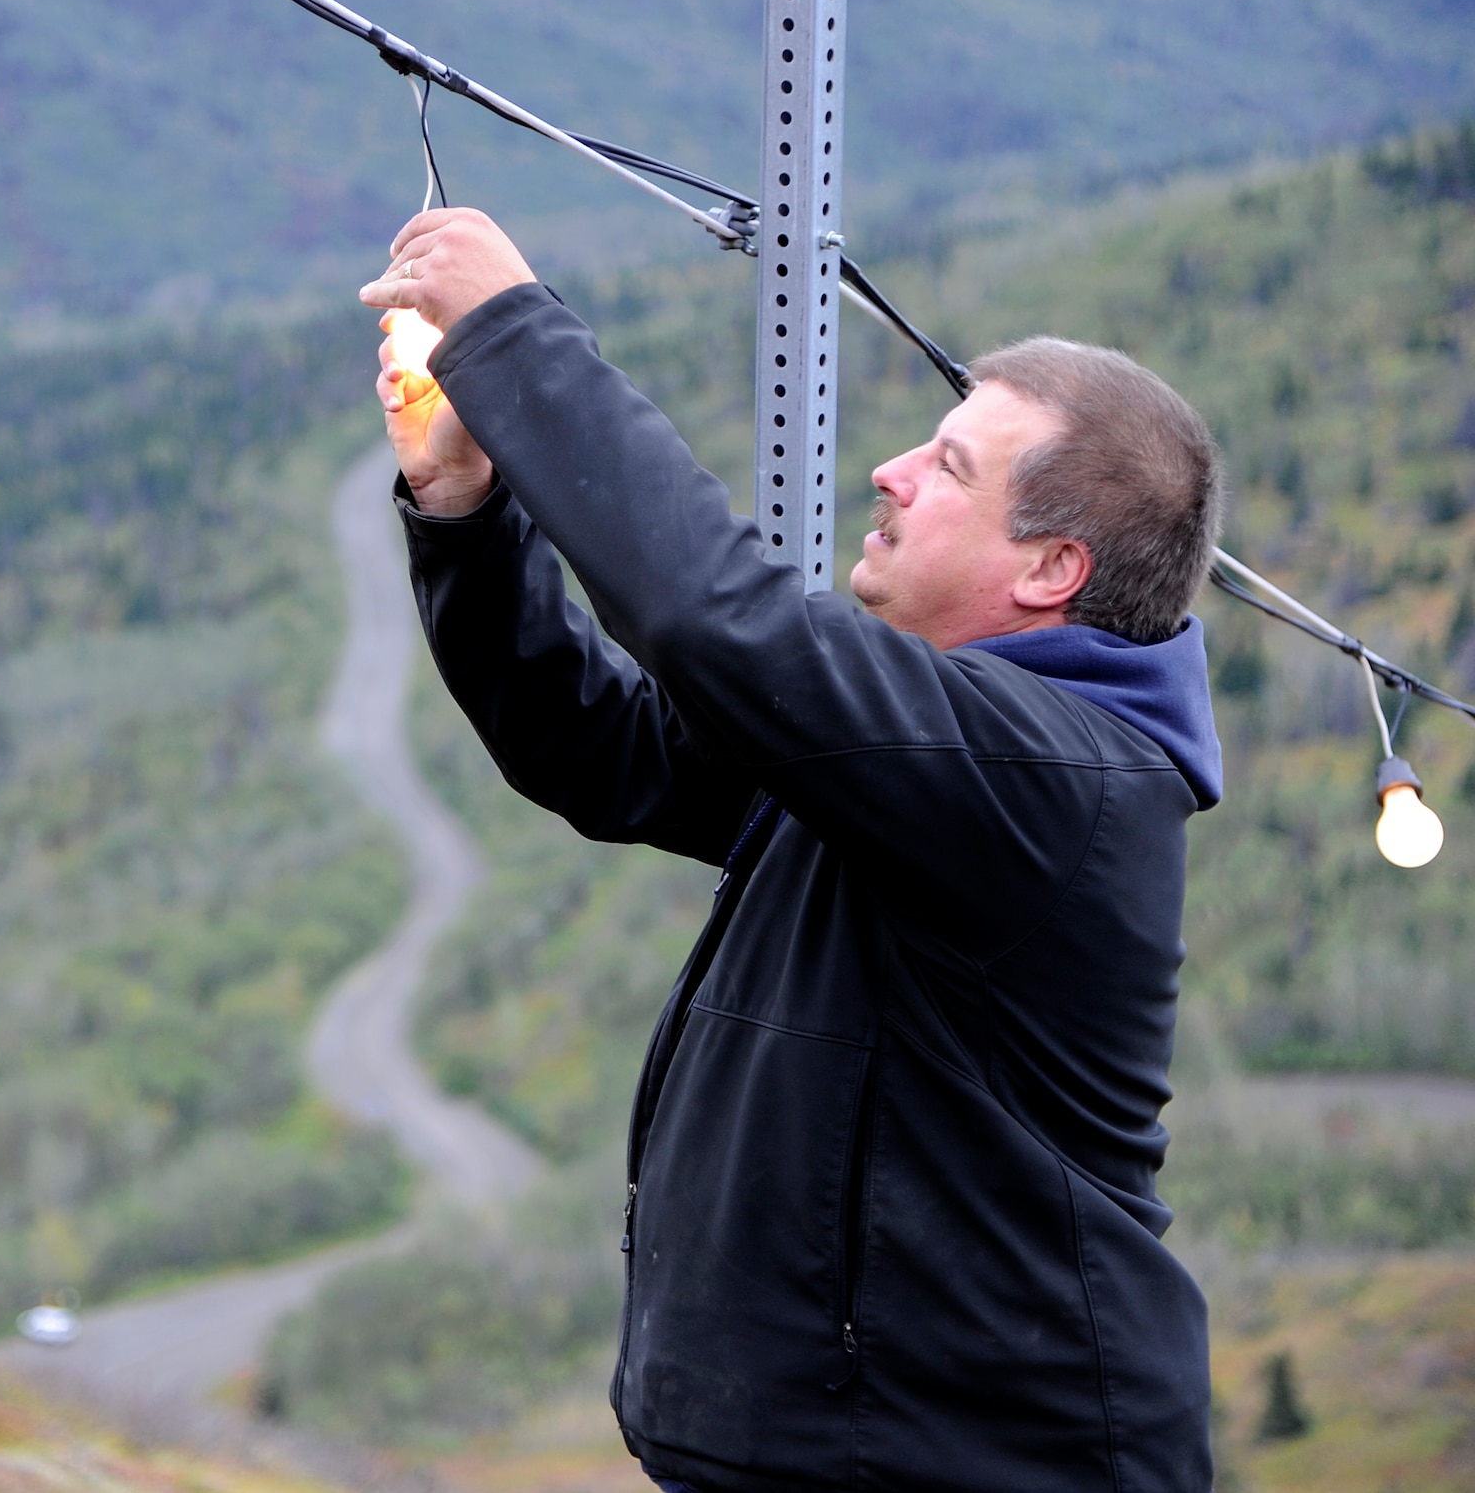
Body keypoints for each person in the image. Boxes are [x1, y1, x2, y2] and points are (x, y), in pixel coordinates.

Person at [360, 208, 1224, 1493]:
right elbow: (598, 745)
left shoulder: (1052, 778)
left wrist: (510, 329)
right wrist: (464, 505)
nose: (889, 471)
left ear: (1048, 568)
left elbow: (714, 618)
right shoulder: (919, 758)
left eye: (946, 467)